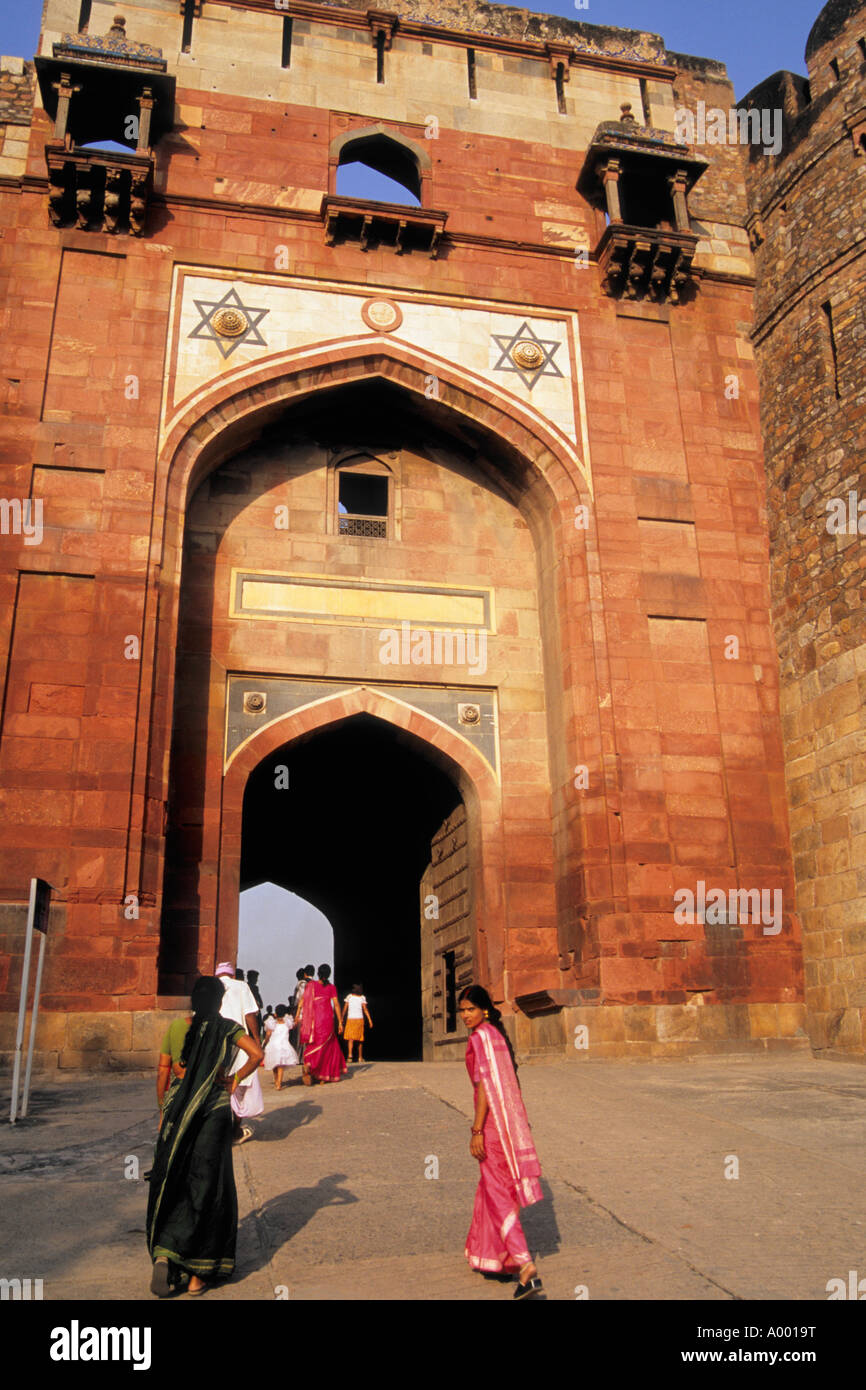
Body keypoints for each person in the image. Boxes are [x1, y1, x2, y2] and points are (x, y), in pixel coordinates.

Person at [147, 975, 263, 1297]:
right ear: (219, 1002)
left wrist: (163, 1110)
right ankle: (198, 1274)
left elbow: (163, 1071)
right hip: (212, 1113)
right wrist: (233, 1079)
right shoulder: (227, 1028)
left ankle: (166, 1252)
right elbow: (256, 1054)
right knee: (209, 1187)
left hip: (178, 1113)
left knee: (174, 1180)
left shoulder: (177, 1028)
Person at [459, 985, 543, 1299]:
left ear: (484, 1009)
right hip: (507, 1123)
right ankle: (492, 1257)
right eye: (462, 1010)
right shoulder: (496, 1035)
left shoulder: (479, 1037)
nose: (465, 1015)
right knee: (491, 1188)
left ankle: (525, 1264)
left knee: (498, 1193)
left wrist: (477, 1130)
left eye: (470, 1009)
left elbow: (483, 1085)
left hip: (492, 1127)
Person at [216, 961, 264, 1142]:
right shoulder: (242, 986)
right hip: (240, 1040)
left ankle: (218, 1131)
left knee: (217, 1085)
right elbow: (250, 1014)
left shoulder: (212, 986)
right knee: (238, 1087)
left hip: (217, 1040)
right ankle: (235, 1130)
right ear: (233, 975)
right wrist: (256, 1039)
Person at [299, 963, 346, 1084]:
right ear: (329, 974)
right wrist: (340, 1022)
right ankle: (322, 1075)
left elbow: (303, 1001)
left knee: (315, 1043)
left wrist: (298, 1015)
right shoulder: (331, 987)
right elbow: (336, 1005)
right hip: (327, 1018)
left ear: (318, 973)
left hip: (315, 1019)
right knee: (326, 1046)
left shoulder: (311, 985)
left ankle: (309, 1064)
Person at [263, 1003, 299, 1090]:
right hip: (283, 1045)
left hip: (273, 1045)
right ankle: (278, 1083)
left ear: (275, 1014)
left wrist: (265, 1042)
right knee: (279, 1066)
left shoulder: (272, 1023)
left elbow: (268, 1034)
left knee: (276, 1065)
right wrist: (298, 1014)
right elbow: (294, 1024)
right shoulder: (287, 1023)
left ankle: (277, 1082)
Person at [341, 983, 373, 1064]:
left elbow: (345, 1008)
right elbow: (365, 1009)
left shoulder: (349, 997)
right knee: (360, 1039)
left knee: (350, 1039)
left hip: (351, 1019)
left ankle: (350, 1056)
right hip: (359, 1019)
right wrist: (369, 1020)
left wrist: (341, 1018)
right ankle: (360, 1057)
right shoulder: (362, 997)